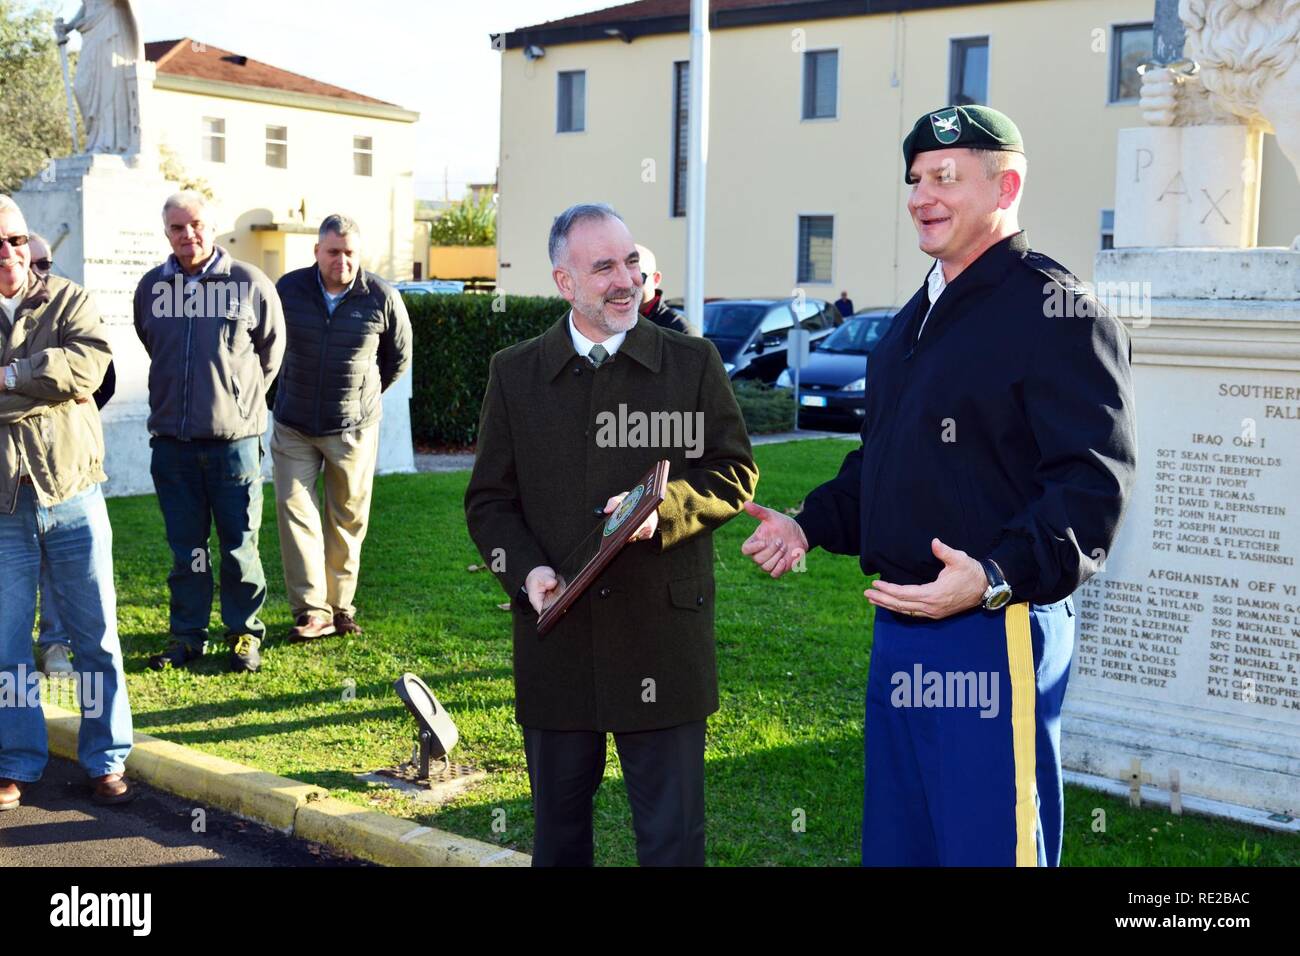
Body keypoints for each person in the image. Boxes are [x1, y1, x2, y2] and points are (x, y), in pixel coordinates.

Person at [740, 105, 1137, 867]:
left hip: (994, 631)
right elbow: (886, 465)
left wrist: (991, 578)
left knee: (990, 848)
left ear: (1006, 184)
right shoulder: (913, 319)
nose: (921, 195)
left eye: (945, 177)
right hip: (902, 629)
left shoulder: (1056, 310)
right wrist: (808, 524)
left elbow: (1093, 486)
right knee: (902, 849)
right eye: (915, 178)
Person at [465, 203, 757, 866]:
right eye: (604, 267)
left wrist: (666, 511)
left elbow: (734, 471)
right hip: (557, 642)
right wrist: (527, 572)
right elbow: (489, 503)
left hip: (661, 637)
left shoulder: (692, 363)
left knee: (672, 841)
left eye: (630, 260)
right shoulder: (516, 374)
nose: (625, 279)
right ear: (565, 283)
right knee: (560, 838)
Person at [0, 194, 134, 809]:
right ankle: (17, 761)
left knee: (95, 636)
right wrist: (42, 383)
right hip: (5, 510)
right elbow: (56, 381)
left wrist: (8, 378)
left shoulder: (69, 299)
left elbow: (86, 369)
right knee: (7, 648)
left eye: (16, 240)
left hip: (73, 494)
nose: (8, 253)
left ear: (29, 243)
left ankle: (105, 758)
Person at [133, 191, 284, 673]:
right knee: (188, 551)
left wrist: (236, 401)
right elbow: (149, 340)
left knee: (239, 546)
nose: (188, 234)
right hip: (173, 447)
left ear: (212, 226)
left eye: (195, 224)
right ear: (166, 233)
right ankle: (186, 636)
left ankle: (244, 634)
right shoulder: (151, 288)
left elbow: (270, 354)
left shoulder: (249, 283)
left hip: (234, 446)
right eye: (177, 227)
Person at [270, 214, 411, 643]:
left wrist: (362, 397)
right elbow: (267, 347)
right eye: (333, 252)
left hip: (352, 428)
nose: (342, 261)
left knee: (347, 519)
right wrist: (276, 397)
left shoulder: (381, 296)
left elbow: (397, 358)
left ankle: (341, 606)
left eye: (350, 252)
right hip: (293, 424)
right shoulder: (288, 290)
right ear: (317, 251)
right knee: (296, 515)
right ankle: (312, 610)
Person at [28, 232, 117, 677]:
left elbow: (98, 377)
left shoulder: (70, 307)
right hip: (13, 480)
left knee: (76, 582)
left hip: (65, 471)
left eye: (44, 263)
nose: (36, 270)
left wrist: (59, 413)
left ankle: (56, 644)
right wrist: (50, 389)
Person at [634, 243, 693, 335]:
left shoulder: (680, 330)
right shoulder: (607, 323)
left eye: (638, 277)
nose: (626, 285)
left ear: (656, 279)